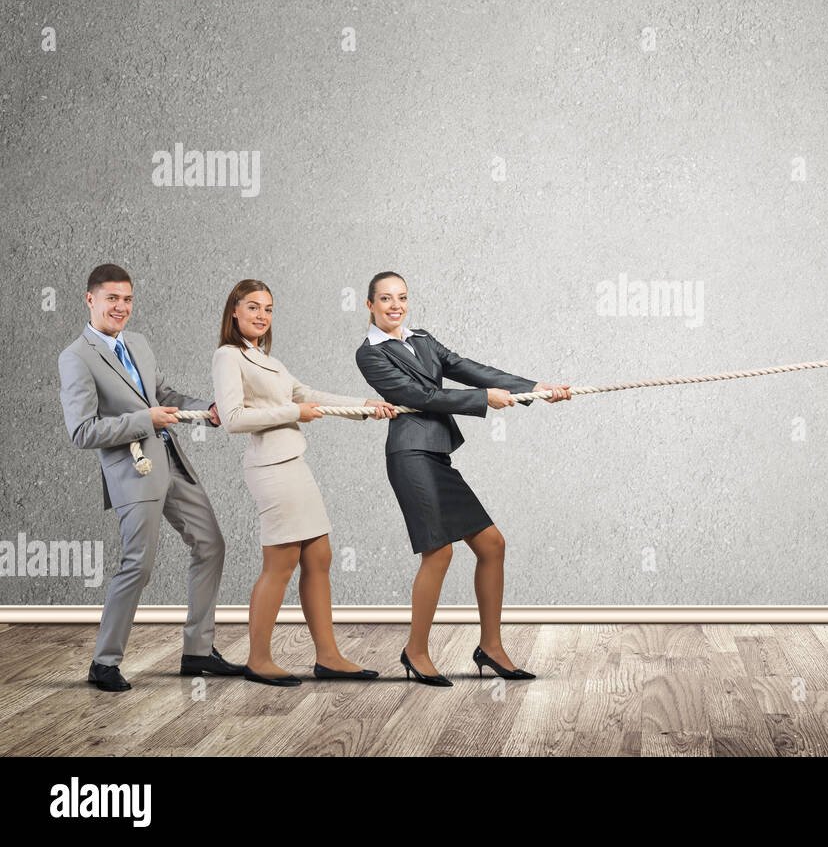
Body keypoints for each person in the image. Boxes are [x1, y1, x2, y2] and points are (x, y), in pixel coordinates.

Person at [355, 271, 570, 686]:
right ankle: (415, 651)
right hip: (410, 455)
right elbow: (420, 397)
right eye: (385, 299)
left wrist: (534, 388)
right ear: (370, 305)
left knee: (492, 544)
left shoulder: (423, 339)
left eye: (401, 297)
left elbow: (466, 368)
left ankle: (490, 647)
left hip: (436, 455)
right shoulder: (369, 354)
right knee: (439, 554)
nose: (395, 305)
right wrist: (482, 401)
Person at [58, 263, 242, 692]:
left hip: (171, 460)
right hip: (134, 470)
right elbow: (82, 431)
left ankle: (198, 651)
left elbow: (163, 396)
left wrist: (207, 408)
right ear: (90, 300)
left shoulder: (137, 342)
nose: (121, 307)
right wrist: (145, 420)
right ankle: (104, 663)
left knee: (211, 543)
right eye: (112, 299)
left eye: (127, 299)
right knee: (139, 564)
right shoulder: (76, 357)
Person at [212, 278, 397, 685]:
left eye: (269, 308)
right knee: (281, 562)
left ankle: (328, 656)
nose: (262, 315)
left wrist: (364, 406)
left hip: (294, 463)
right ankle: (258, 659)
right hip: (271, 467)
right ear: (234, 312)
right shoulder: (228, 357)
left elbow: (307, 393)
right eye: (254, 307)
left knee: (319, 556)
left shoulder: (268, 359)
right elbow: (233, 419)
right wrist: (293, 412)